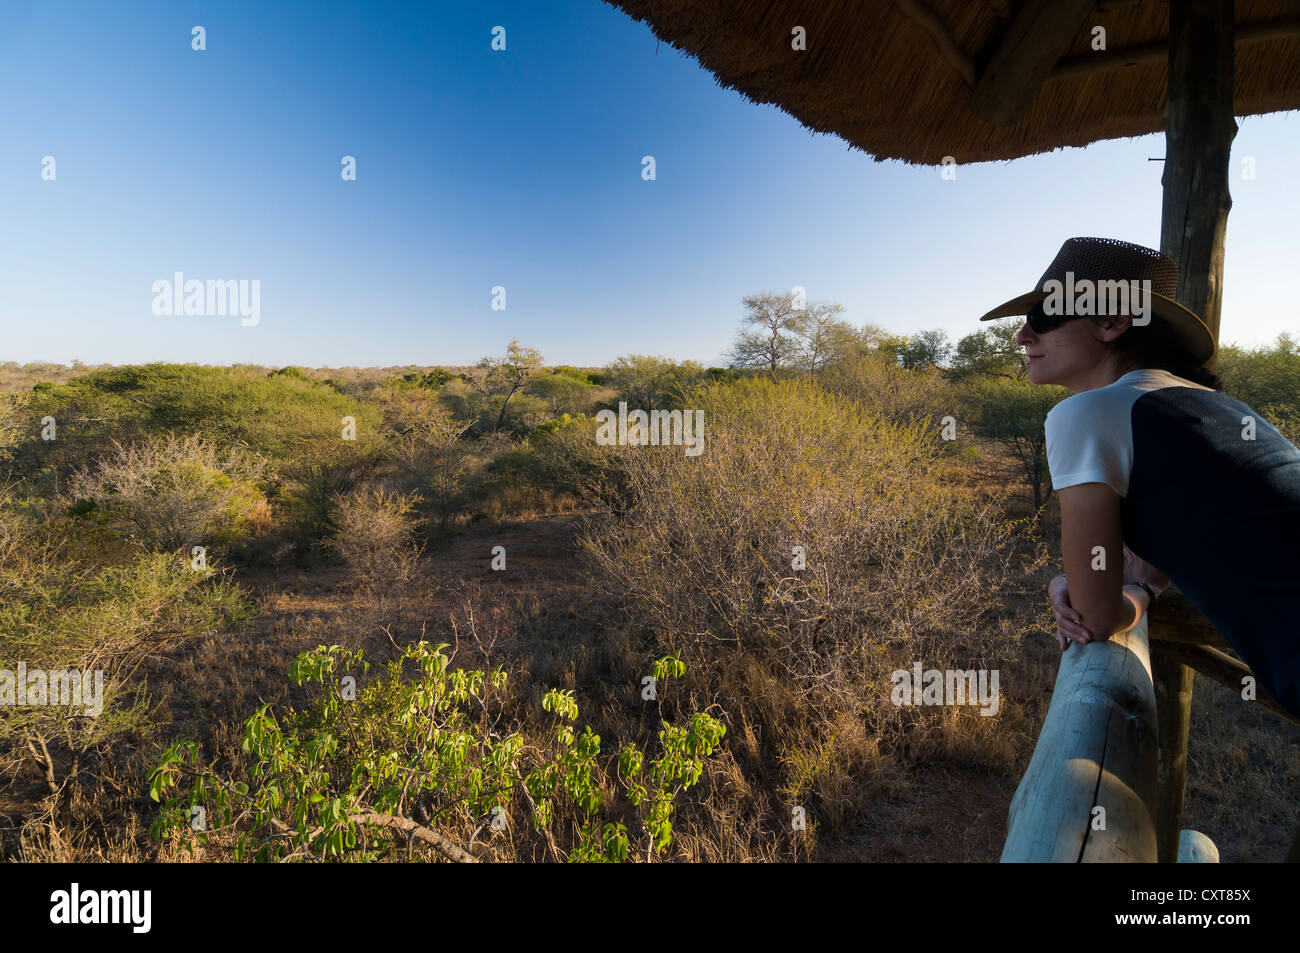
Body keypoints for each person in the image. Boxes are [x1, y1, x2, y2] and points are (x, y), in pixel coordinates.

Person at [977, 236, 1300, 724]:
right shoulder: (1223, 408)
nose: (1023, 336)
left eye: (1043, 318)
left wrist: (1143, 591)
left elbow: (1096, 617)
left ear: (1111, 322)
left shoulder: (1087, 413)